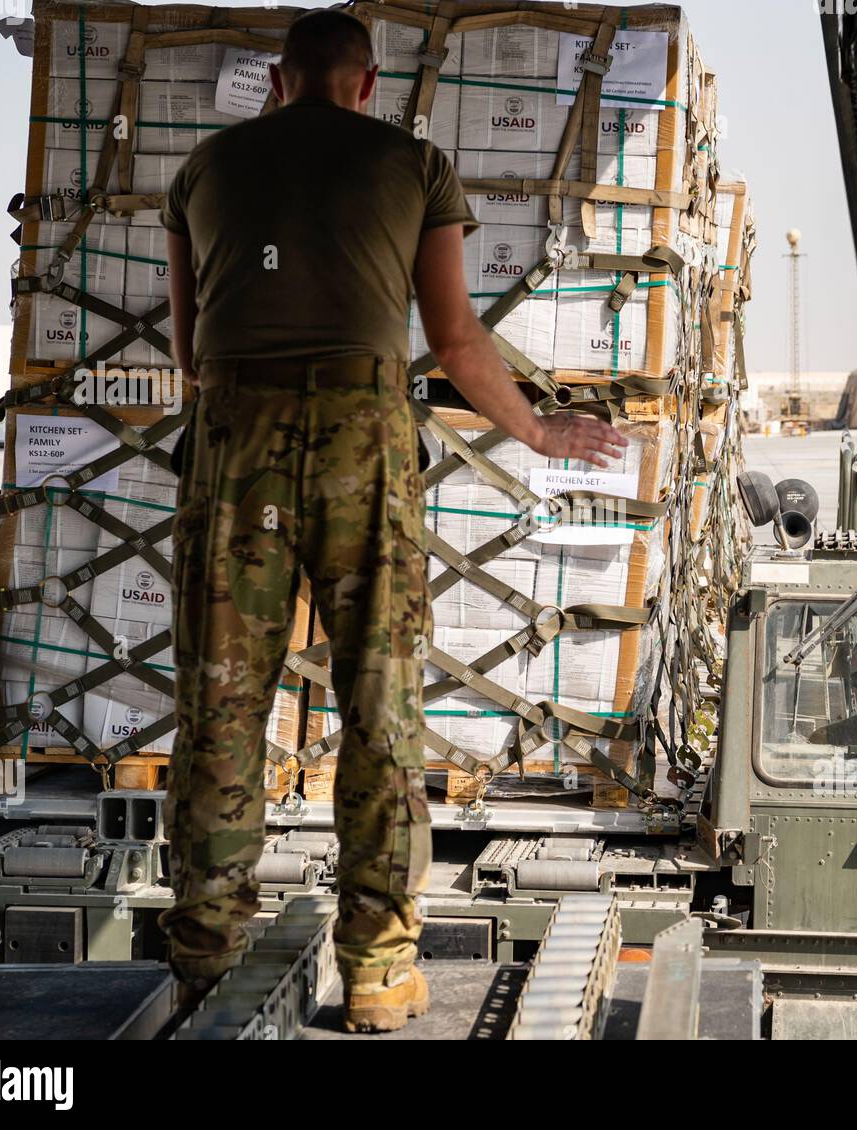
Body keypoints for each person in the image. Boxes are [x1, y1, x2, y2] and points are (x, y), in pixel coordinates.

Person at [157, 9, 625, 1033]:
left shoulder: (203, 169)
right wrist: (541, 434)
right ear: (367, 85)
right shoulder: (414, 164)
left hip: (237, 441)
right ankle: (376, 969)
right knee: (379, 704)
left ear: (279, 82)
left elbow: (190, 356)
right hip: (360, 444)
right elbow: (455, 340)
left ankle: (206, 959)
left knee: (223, 706)